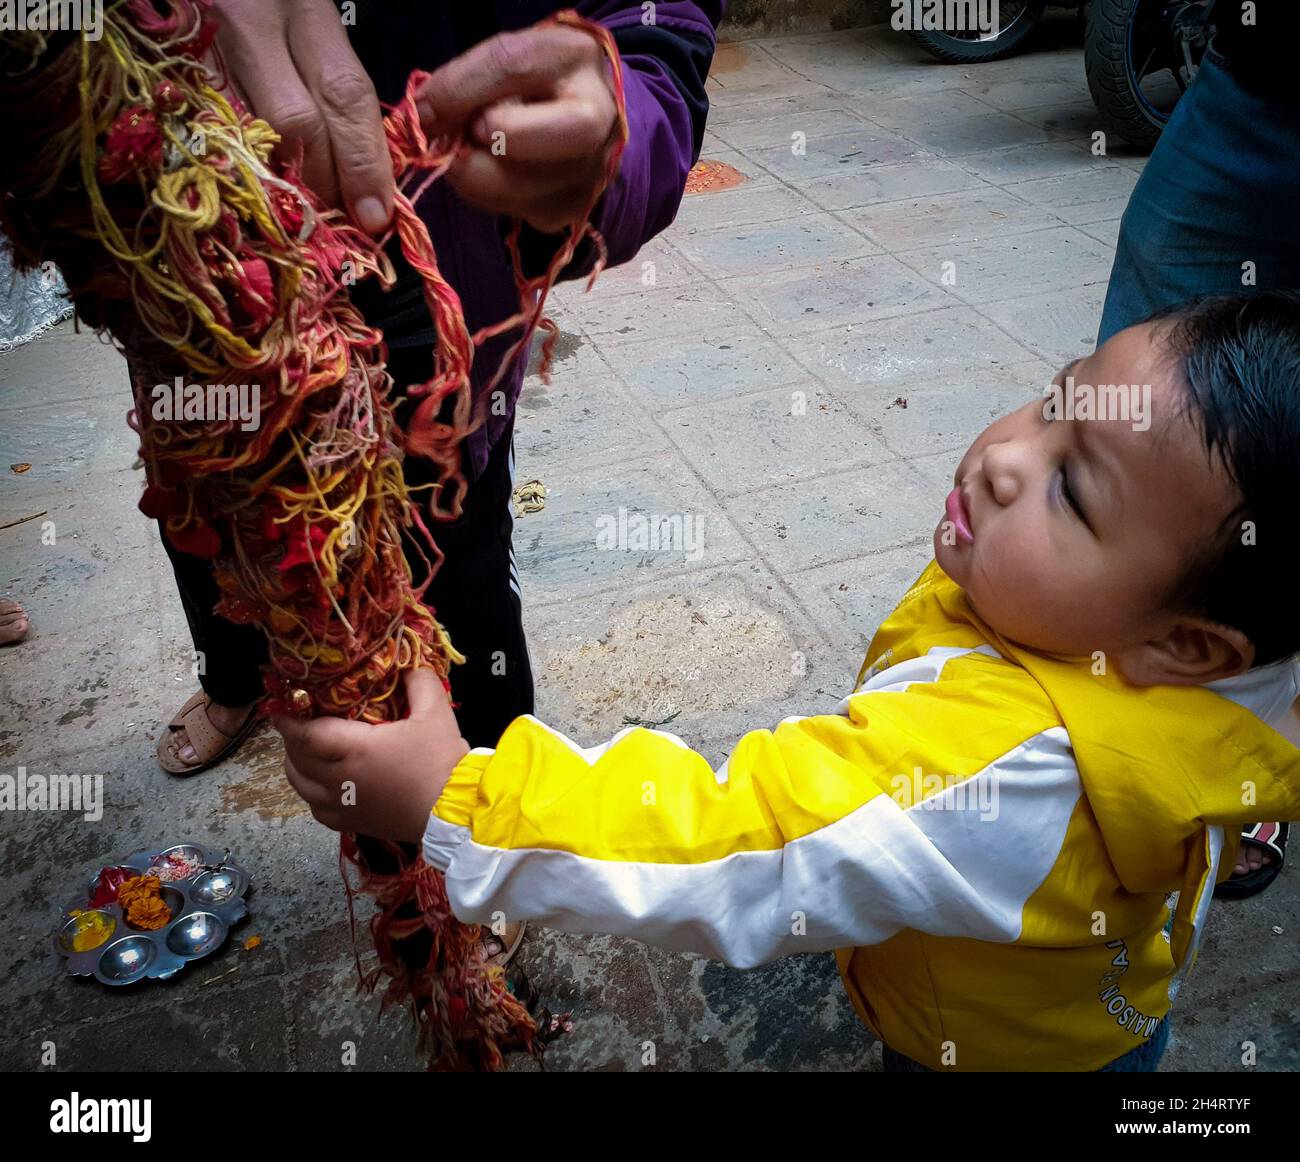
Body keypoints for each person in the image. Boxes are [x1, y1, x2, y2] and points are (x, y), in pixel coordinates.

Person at [279, 292, 1300, 1071]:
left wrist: (458, 793)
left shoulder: (999, 768)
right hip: (1098, 1000)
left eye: (1072, 487)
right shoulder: (1203, 659)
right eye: (1054, 397)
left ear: (1191, 648)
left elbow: (748, 839)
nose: (1004, 458)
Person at [155, 0, 722, 782]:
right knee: (212, 508)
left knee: (451, 559)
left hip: (426, 254)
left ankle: (481, 803)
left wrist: (624, 124)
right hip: (187, 253)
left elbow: (654, 36)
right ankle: (234, 677)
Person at [1098, 2, 1300, 896]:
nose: (989, 463)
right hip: (1263, 69)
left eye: (1066, 480)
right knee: (1148, 388)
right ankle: (1159, 740)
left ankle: (1252, 752)